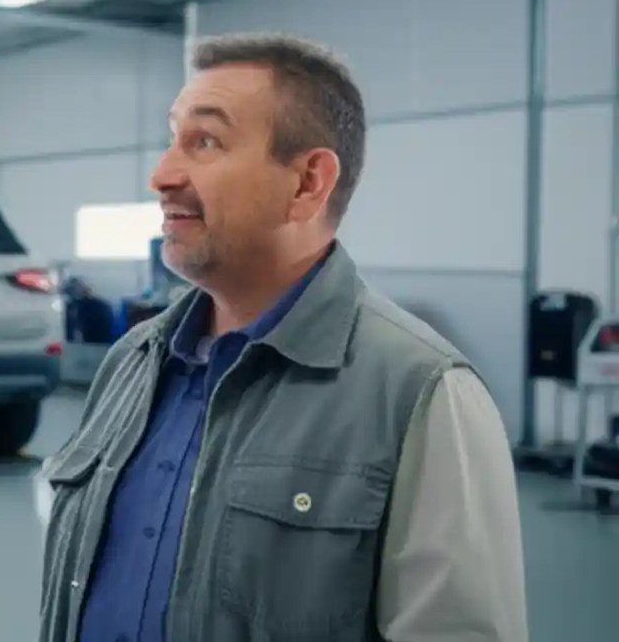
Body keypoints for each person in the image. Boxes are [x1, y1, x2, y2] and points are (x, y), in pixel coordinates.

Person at [38, 33, 527, 642]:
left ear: (308, 183)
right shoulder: (133, 363)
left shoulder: (421, 395)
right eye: (173, 139)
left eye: (206, 141)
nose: (162, 174)